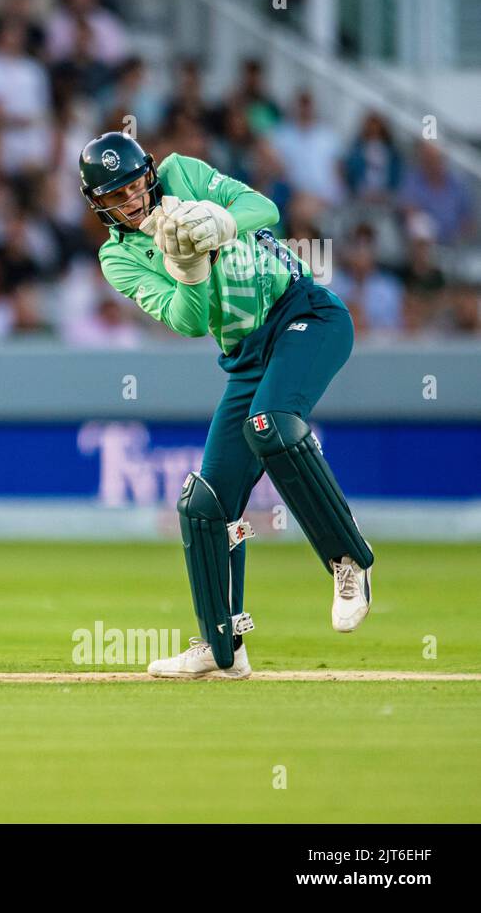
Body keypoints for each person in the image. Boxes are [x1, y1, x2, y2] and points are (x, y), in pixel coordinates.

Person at [78, 132, 374, 679]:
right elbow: (190, 322)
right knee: (204, 503)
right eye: (116, 197)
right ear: (100, 208)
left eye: (136, 184)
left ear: (149, 172)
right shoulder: (117, 257)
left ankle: (348, 559)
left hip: (304, 315)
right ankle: (224, 647)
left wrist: (220, 223)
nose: (133, 200)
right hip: (245, 355)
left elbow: (263, 207)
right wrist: (189, 270)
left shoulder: (182, 173)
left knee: (272, 424)